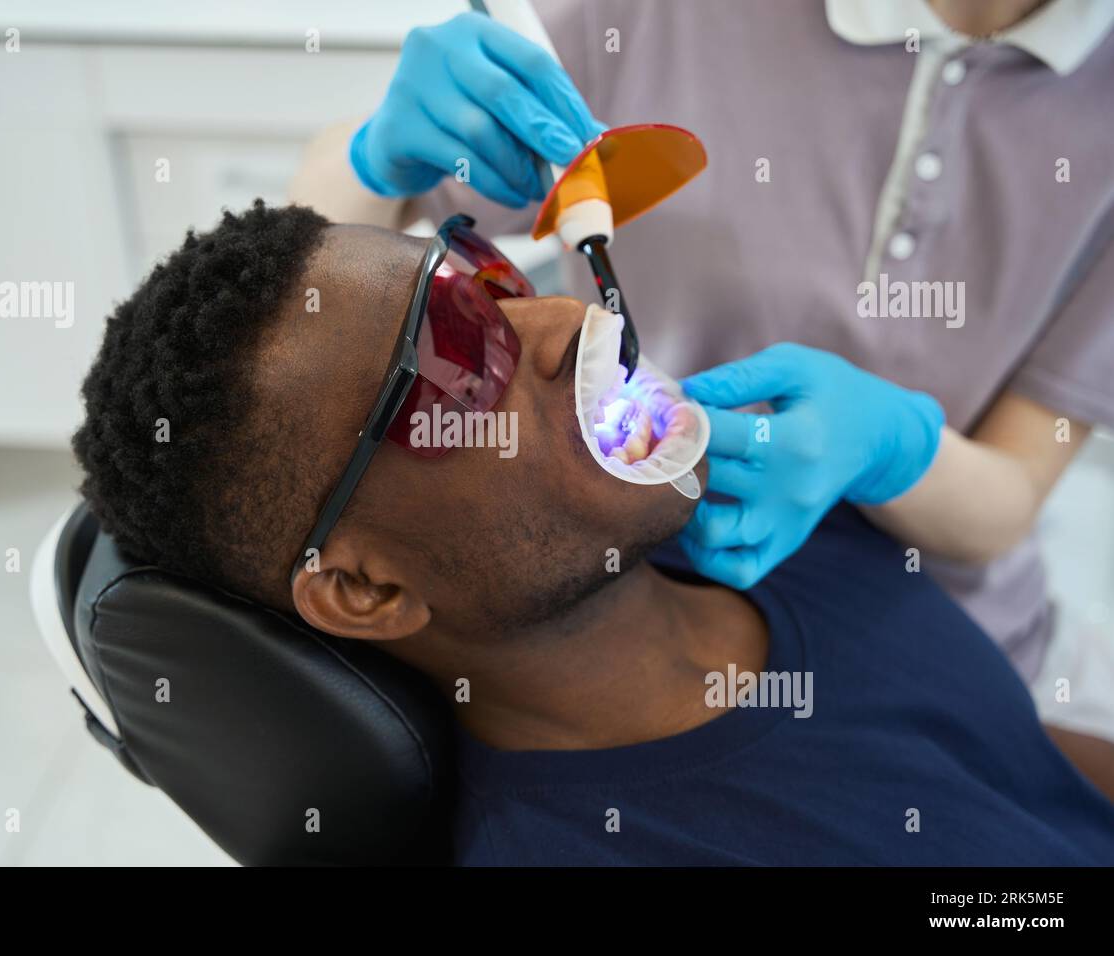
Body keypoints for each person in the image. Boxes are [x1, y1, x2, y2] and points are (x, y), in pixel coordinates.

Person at [70, 202, 1114, 864]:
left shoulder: (789, 530)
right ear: (368, 589)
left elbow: (1009, 769)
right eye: (452, 360)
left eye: (486, 282)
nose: (570, 324)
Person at [289, 0, 1114, 687]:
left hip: (950, 642)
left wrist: (896, 450)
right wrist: (370, 162)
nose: (556, 343)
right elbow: (316, 282)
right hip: (631, 612)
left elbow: (1010, 495)